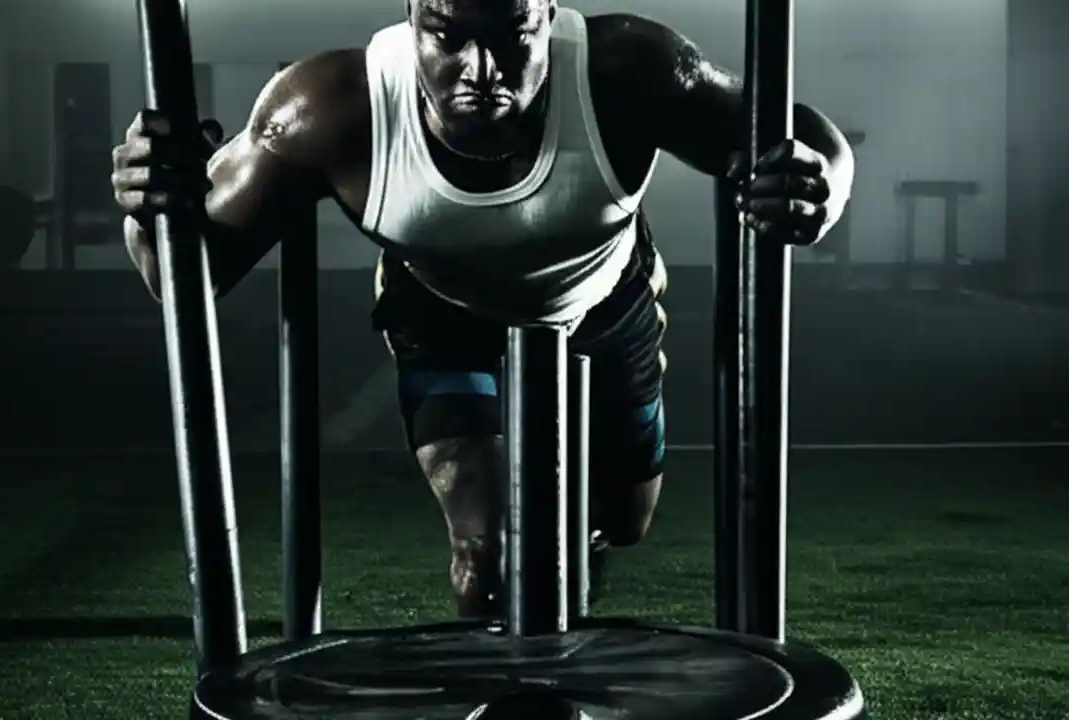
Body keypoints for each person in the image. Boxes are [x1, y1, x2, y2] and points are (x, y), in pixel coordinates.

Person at [111, 0, 855, 619]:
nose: (481, 71)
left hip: (604, 304)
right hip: (443, 318)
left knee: (624, 521)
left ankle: (576, 545)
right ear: (412, 16)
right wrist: (152, 210)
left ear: (549, 14)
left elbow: (805, 137)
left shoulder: (628, 68)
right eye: (448, 36)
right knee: (485, 556)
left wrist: (820, 187)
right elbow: (181, 277)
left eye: (512, 38)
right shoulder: (331, 109)